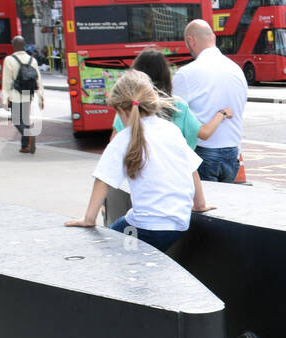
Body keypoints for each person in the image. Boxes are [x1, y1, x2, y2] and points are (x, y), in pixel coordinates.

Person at [66, 70, 208, 252]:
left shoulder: (124, 138)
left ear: (123, 112)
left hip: (147, 228)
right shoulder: (171, 130)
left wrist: (89, 219)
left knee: (107, 248)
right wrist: (200, 205)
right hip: (178, 225)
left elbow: (103, 180)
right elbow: (191, 169)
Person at [173, 19, 247, 183]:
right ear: (212, 37)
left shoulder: (186, 74)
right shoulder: (237, 70)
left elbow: (173, 117)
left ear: (191, 40)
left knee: (201, 207)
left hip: (202, 154)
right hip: (232, 154)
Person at [112, 48, 231, 150]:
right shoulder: (177, 105)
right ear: (165, 76)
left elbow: (114, 147)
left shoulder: (128, 108)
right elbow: (204, 133)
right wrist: (221, 114)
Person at [1, 36, 45, 155]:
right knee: (24, 119)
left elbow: (7, 81)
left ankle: (29, 133)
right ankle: (25, 146)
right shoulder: (32, 59)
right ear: (24, 45)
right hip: (28, 94)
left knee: (16, 120)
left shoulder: (9, 60)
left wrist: (5, 98)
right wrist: (40, 95)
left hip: (16, 94)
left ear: (13, 46)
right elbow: (38, 79)